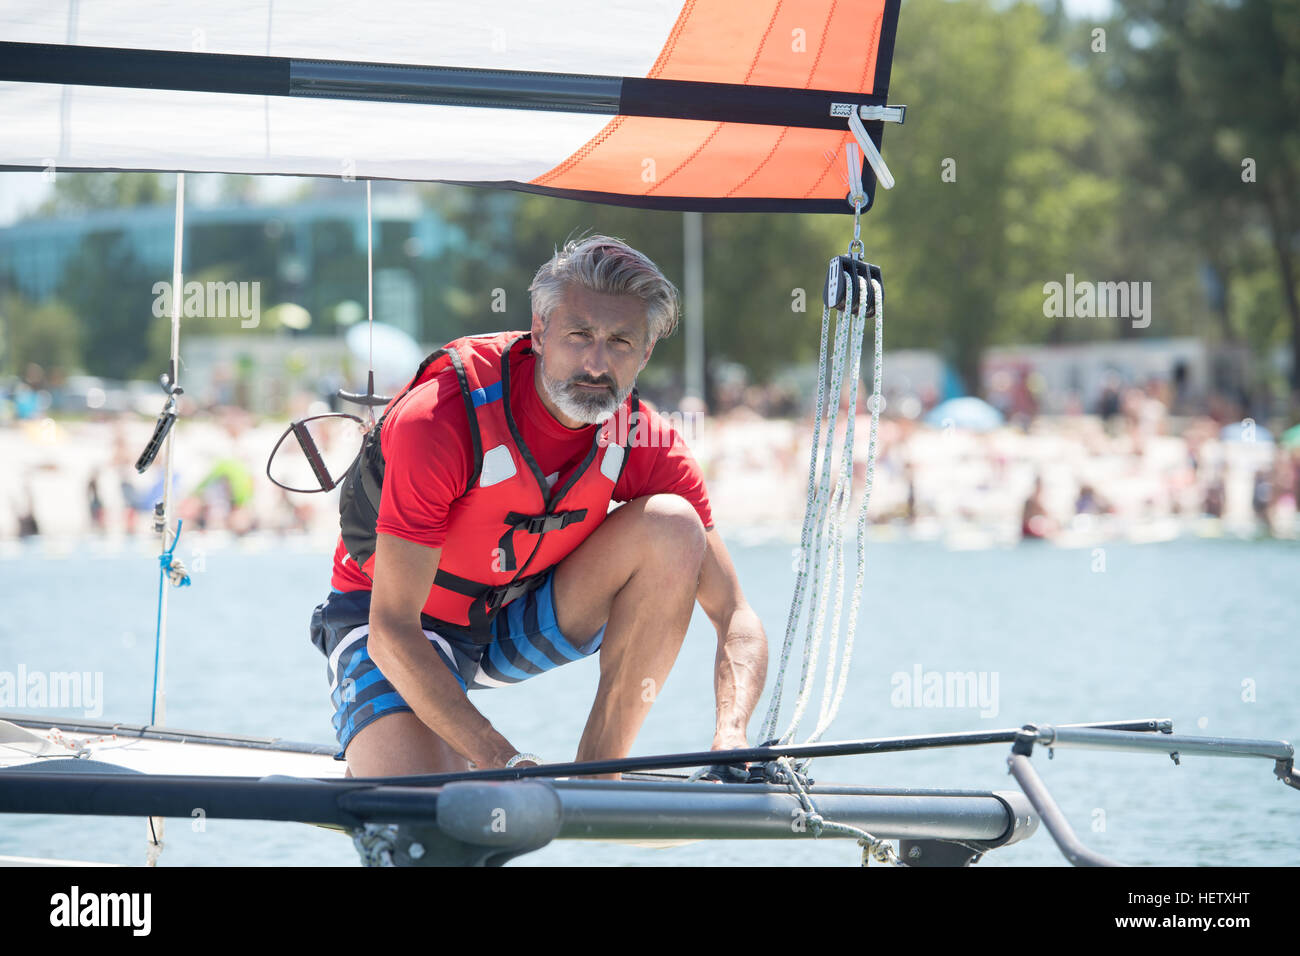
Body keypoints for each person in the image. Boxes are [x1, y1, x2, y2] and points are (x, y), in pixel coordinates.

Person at [310, 236, 768, 778]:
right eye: (580, 335)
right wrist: (506, 761)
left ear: (645, 353)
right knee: (423, 799)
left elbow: (735, 615)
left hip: (506, 624)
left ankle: (599, 774)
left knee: (674, 526)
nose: (597, 364)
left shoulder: (645, 441)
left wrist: (731, 734)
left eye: (621, 342)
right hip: (392, 626)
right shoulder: (442, 418)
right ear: (540, 330)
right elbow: (391, 629)